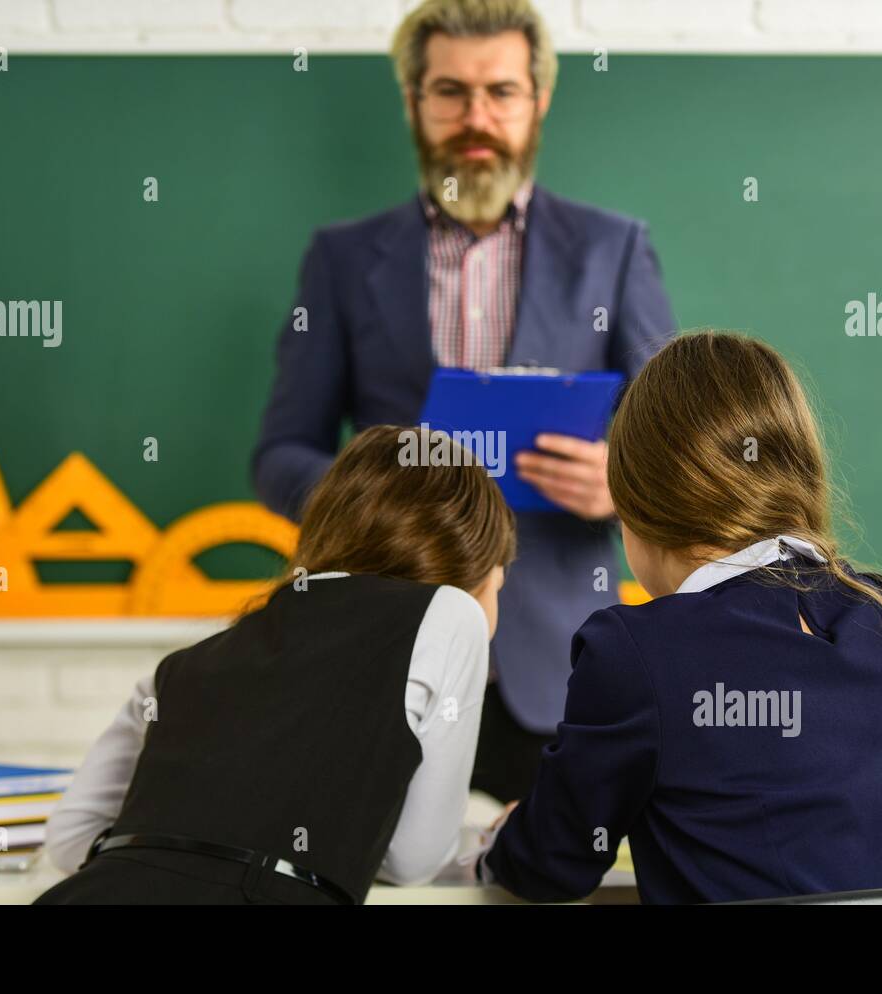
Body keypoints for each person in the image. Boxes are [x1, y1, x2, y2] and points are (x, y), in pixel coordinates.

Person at [252, 0, 675, 803]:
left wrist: (624, 484)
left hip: (558, 675)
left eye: (501, 92)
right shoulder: (340, 260)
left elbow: (680, 443)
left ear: (538, 100)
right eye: (450, 91)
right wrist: (374, 500)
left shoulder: (614, 251)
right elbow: (280, 454)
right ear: (413, 101)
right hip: (380, 658)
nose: (476, 118)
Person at [479, 331, 882, 903]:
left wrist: (504, 840)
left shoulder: (635, 650)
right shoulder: (877, 611)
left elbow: (551, 866)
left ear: (636, 505)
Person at [35, 425, 515, 905]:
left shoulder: (179, 669)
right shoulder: (452, 614)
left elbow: (70, 835)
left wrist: (173, 854)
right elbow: (413, 861)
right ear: (471, 572)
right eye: (499, 583)